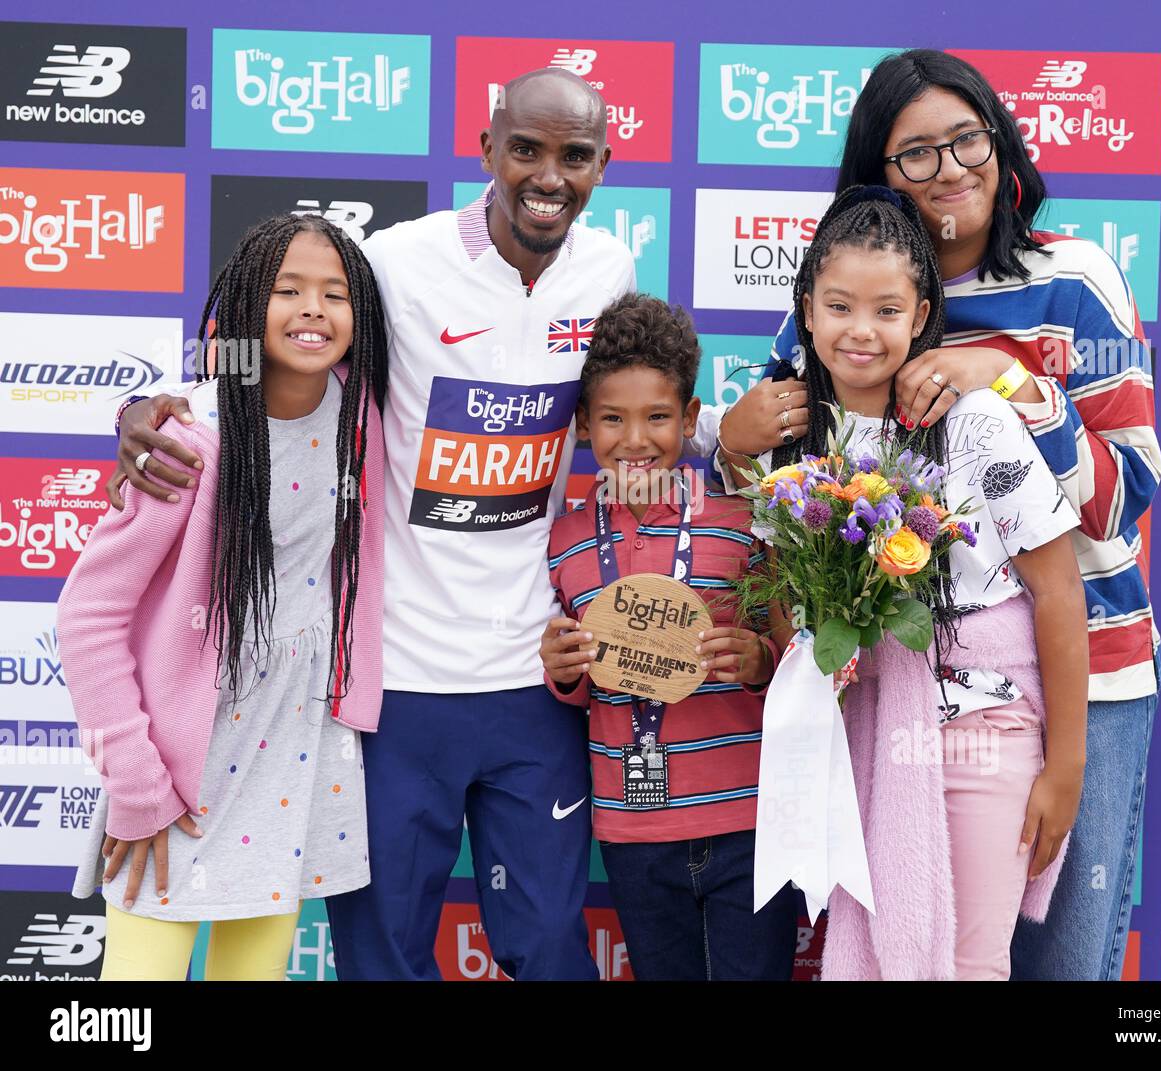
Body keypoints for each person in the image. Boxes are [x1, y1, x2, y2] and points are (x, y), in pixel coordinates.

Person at [107, 69, 725, 981]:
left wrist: (718, 431)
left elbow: (635, 400)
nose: (547, 176)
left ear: (602, 166)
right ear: (487, 151)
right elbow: (278, 338)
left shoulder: (607, 270)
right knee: (384, 956)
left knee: (550, 949)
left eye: (575, 156)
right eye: (526, 150)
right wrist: (155, 403)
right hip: (393, 688)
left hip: (532, 676)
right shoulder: (398, 261)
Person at [719, 49, 1161, 981]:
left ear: (1000, 143)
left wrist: (1004, 376)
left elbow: (1126, 493)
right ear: (877, 173)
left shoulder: (1074, 276)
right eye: (915, 153)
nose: (949, 168)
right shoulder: (843, 286)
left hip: (1085, 664)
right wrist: (729, 439)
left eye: (967, 139)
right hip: (902, 691)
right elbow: (793, 484)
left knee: (1059, 960)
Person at [740, 184, 1087, 980]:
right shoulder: (788, 442)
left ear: (923, 312)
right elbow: (783, 600)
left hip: (982, 738)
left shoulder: (974, 422)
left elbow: (1060, 591)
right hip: (856, 748)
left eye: (887, 310)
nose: (861, 332)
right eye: (838, 306)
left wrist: (1064, 767)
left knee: (967, 968)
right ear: (805, 308)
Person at [58, 213, 387, 980]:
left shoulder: (362, 418)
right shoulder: (190, 438)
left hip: (300, 748)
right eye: (287, 289)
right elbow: (88, 614)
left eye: (335, 293)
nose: (313, 308)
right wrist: (137, 784)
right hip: (180, 764)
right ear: (243, 307)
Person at [540, 294, 799, 981]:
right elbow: (570, 689)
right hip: (632, 831)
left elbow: (785, 654)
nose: (635, 439)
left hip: (747, 820)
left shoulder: (742, 517)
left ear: (690, 419)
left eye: (657, 417)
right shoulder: (562, 542)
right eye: (612, 419)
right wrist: (563, 670)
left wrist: (756, 661)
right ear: (583, 426)